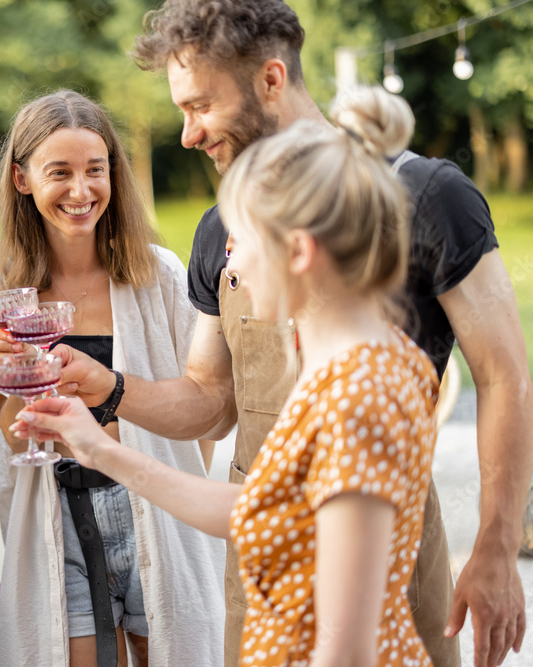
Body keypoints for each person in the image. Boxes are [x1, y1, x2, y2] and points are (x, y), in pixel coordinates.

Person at [52, 1, 533, 666]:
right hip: (261, 572)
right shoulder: (224, 224)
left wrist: (498, 546)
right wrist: (107, 394)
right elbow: (213, 401)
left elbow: (504, 376)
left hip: (385, 568)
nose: (187, 134)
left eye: (200, 106)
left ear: (271, 79)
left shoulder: (427, 200)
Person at [17, 85, 439, 666]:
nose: (229, 262)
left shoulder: (358, 396)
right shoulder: (360, 366)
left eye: (240, 239)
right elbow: (255, 511)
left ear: (298, 250)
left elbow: (347, 644)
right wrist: (100, 448)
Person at [0, 90, 225, 666]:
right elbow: (15, 439)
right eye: (59, 172)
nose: (81, 191)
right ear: (21, 179)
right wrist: (16, 378)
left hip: (154, 505)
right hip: (58, 514)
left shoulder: (159, 275)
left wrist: (173, 486)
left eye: (95, 169)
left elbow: (200, 414)